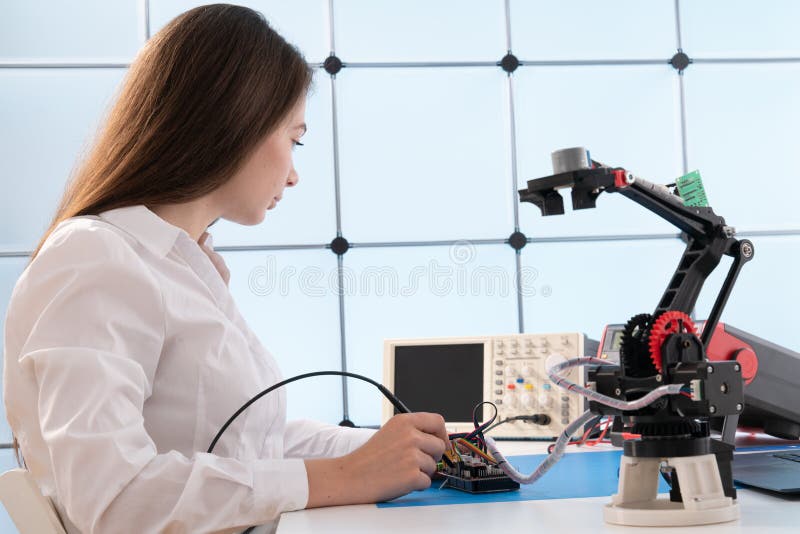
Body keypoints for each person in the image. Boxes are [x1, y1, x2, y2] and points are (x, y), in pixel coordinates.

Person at [2, 5, 448, 533]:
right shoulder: (96, 258)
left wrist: (400, 450)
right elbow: (113, 501)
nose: (295, 172)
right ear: (236, 119)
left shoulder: (181, 265)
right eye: (294, 138)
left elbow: (249, 442)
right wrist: (346, 474)